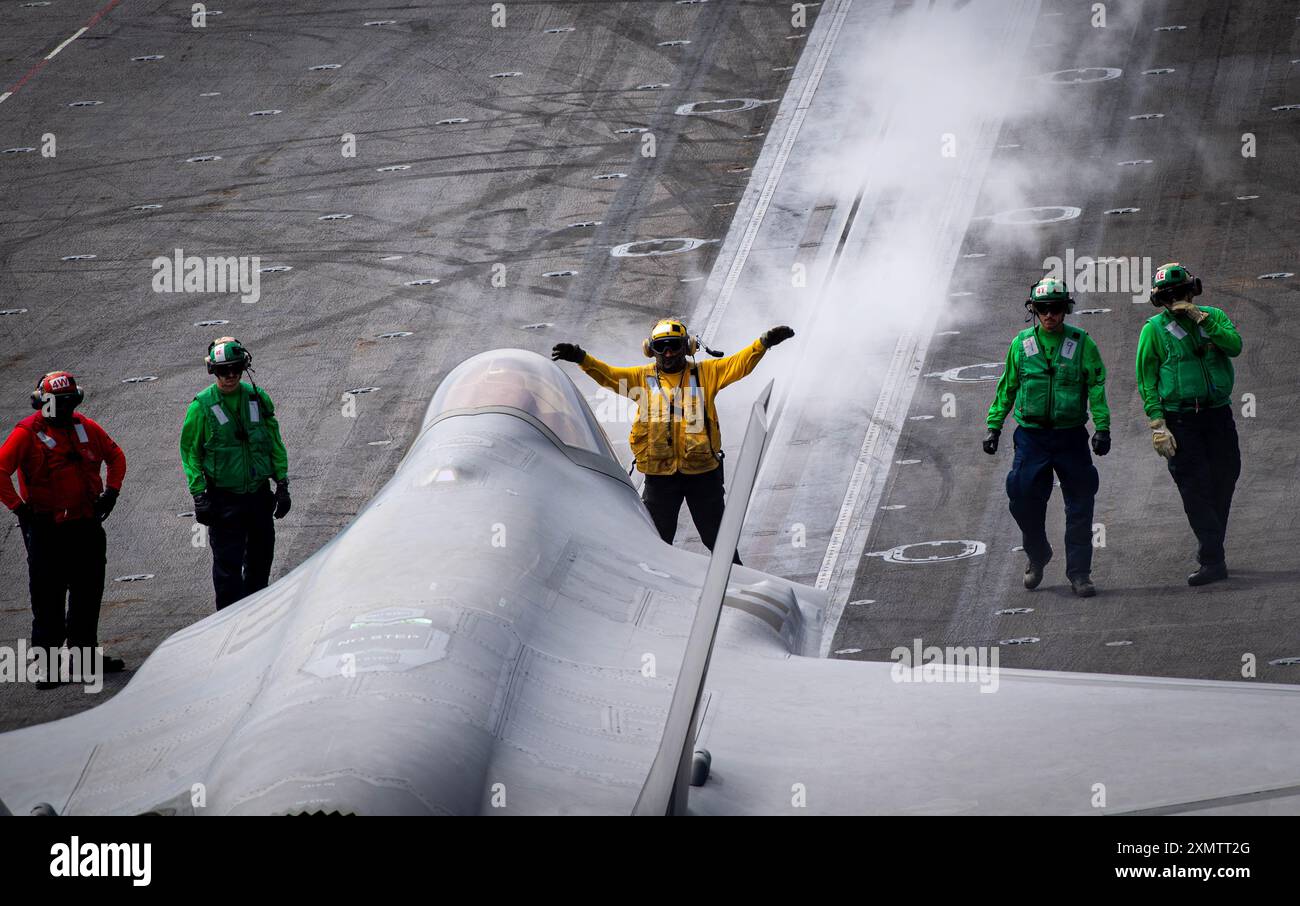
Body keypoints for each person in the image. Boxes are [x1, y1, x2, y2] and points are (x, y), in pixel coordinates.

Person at [552, 319, 794, 563]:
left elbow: (739, 364)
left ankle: (739, 590)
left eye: (674, 346)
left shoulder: (706, 374)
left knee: (720, 543)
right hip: (660, 479)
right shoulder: (641, 379)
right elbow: (608, 375)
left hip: (702, 476)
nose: (668, 353)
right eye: (662, 347)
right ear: (650, 349)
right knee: (656, 546)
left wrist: (762, 344)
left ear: (687, 347)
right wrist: (580, 357)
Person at [983, 277, 1110, 597]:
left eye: (1055, 309)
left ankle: (1080, 573)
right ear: (1034, 311)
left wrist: (1102, 427)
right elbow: (1007, 387)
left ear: (1065, 310)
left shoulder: (1082, 344)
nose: (1049, 315)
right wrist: (993, 426)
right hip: (1032, 437)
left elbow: (1096, 385)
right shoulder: (1020, 345)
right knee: (1022, 497)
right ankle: (1037, 553)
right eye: (1043, 309)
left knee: (1081, 503)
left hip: (1071, 438)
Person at [0, 371, 127, 687]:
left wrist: (111, 492)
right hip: (47, 530)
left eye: (70, 403)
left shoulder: (84, 427)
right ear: (42, 403)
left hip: (85, 525)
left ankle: (84, 660)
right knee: (48, 599)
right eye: (58, 404)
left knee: (88, 594)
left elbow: (116, 456)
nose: (65, 410)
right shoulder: (27, 433)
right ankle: (47, 667)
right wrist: (19, 508)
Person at [1136, 262, 1242, 586]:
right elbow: (1147, 380)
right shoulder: (1153, 330)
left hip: (1218, 414)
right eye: (1169, 296)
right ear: (1160, 299)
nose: (1177, 300)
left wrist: (1202, 320)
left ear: (1192, 291)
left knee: (1225, 478)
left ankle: (1212, 548)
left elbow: (1234, 346)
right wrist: (1157, 424)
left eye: (1181, 293)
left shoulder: (1213, 317)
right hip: (1181, 419)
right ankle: (1213, 559)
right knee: (1194, 488)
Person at [179, 338, 290, 610]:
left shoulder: (257, 397)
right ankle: (228, 627)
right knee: (228, 572)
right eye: (222, 371)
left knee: (260, 563)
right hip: (224, 502)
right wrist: (199, 495)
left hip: (259, 497)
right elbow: (190, 453)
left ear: (244, 368)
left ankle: (256, 625)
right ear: (212, 372)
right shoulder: (201, 406)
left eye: (235, 370)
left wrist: (283, 483)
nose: (229, 376)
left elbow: (274, 441)